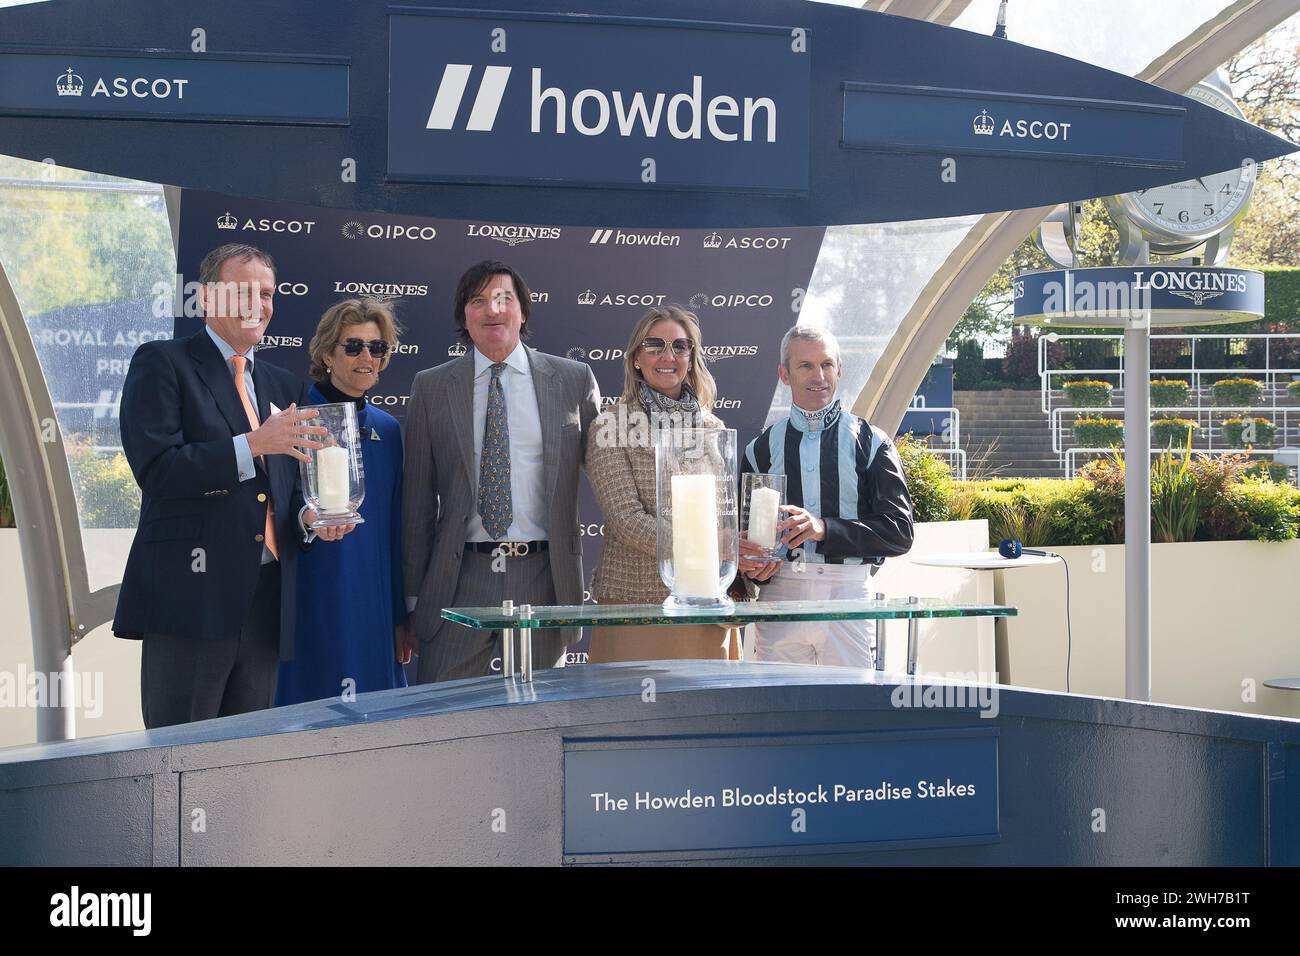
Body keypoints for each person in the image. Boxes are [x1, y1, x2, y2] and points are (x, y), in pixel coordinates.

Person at [113, 243, 353, 729]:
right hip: (191, 600)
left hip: (266, 601)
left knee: (244, 757)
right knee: (181, 751)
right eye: (242, 290)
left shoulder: (281, 383)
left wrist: (309, 520)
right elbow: (158, 470)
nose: (257, 304)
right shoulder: (162, 363)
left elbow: (280, 491)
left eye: (266, 293)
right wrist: (253, 444)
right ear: (205, 298)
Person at [402, 260, 600, 682]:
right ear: (464, 316)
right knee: (445, 718)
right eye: (479, 301)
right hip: (458, 581)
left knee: (538, 721)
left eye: (503, 299)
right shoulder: (431, 387)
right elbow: (416, 501)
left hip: (544, 580)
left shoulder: (573, 379)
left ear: (523, 311)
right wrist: (411, 600)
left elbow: (608, 470)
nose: (493, 310)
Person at [739, 326, 914, 667]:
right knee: (779, 710)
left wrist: (824, 529)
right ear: (784, 374)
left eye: (826, 365)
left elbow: (900, 533)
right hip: (780, 592)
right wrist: (747, 562)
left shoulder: (871, 442)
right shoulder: (759, 449)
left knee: (850, 711)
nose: (818, 376)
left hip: (847, 593)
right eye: (805, 366)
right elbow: (745, 541)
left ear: (839, 370)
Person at [586, 306, 742, 662]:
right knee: (630, 716)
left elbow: (724, 517)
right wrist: (703, 545)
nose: (668, 356)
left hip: (706, 604)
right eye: (654, 346)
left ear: (692, 357)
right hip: (636, 605)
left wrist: (736, 546)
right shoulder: (610, 426)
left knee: (710, 716)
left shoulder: (713, 429)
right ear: (637, 358)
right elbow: (626, 519)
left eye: (680, 346)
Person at [276, 298, 411, 705]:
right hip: (309, 597)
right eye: (353, 346)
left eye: (377, 347)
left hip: (373, 604)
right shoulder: (292, 420)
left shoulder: (388, 430)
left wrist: (400, 617)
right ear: (325, 354)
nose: (366, 357)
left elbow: (395, 530)